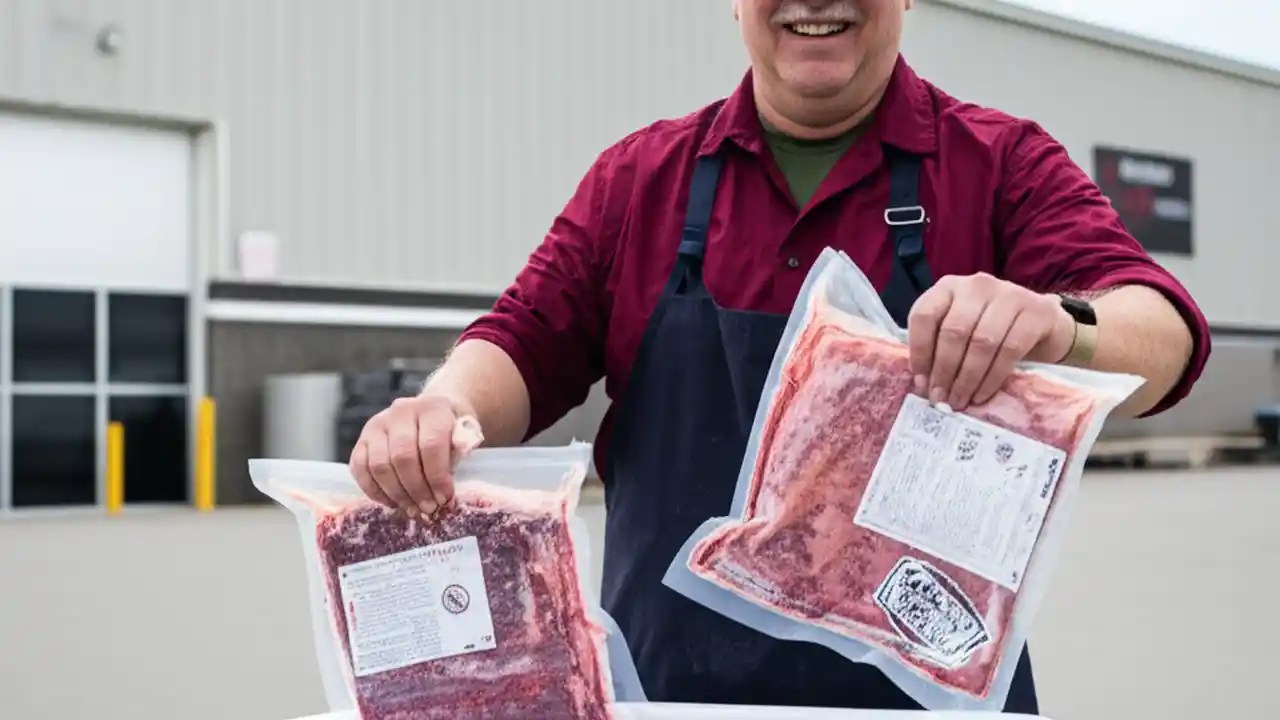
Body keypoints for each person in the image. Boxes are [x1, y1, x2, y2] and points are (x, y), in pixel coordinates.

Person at [350, 0, 1209, 711]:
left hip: (931, 696)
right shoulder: (640, 178)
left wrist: (1058, 324)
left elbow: (1162, 331)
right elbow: (520, 341)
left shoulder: (1001, 163)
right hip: (671, 693)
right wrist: (443, 409)